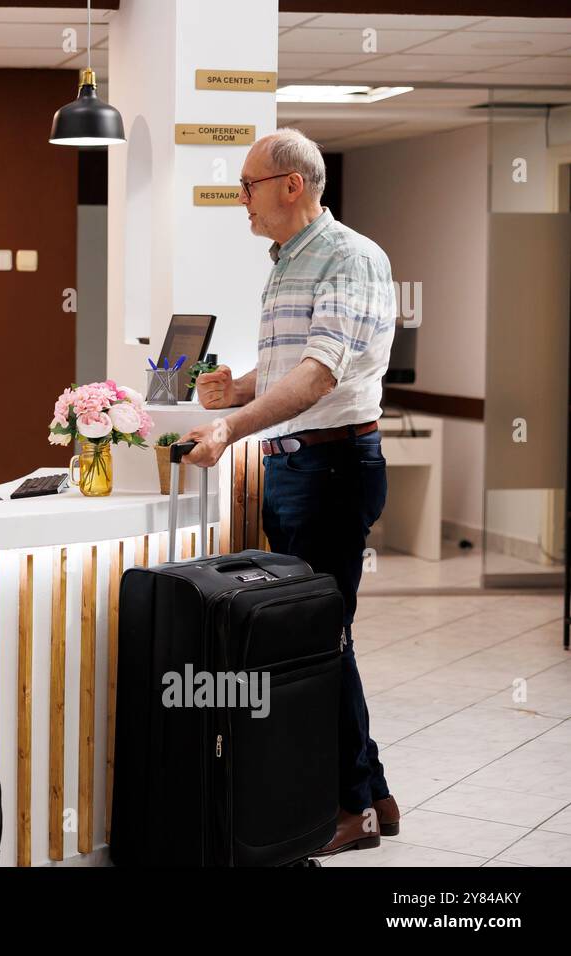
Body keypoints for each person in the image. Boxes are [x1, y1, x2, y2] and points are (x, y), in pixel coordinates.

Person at [177, 128, 399, 856]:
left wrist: (231, 426)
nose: (241, 198)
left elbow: (320, 376)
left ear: (291, 185)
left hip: (332, 468)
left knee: (322, 640)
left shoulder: (349, 257)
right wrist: (235, 386)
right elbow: (291, 367)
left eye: (248, 185)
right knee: (327, 637)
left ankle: (352, 809)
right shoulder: (289, 261)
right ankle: (375, 796)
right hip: (304, 465)